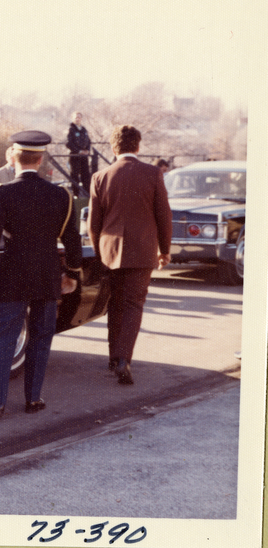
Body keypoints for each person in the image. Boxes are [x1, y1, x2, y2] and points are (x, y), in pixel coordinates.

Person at [0, 130, 82, 417]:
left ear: (13, 157)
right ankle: (34, 400)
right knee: (42, 337)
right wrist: (72, 274)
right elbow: (72, 240)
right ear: (41, 159)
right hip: (47, 274)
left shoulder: (3, 193)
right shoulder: (61, 195)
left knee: (2, 336)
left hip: (13, 274)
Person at [88, 125, 172, 385]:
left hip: (109, 250)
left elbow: (93, 223)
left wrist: (98, 250)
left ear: (114, 148)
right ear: (138, 146)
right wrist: (165, 249)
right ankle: (124, 358)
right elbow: (163, 215)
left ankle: (114, 357)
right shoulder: (153, 174)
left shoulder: (100, 176)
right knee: (134, 304)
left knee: (114, 303)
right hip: (142, 249)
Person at [66, 111, 91, 195]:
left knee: (86, 176)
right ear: (72, 118)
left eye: (79, 117)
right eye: (76, 117)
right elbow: (68, 143)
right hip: (74, 156)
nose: (77, 119)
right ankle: (76, 195)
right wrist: (79, 151)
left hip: (84, 157)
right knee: (74, 176)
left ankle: (87, 194)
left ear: (81, 119)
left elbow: (88, 141)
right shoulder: (70, 129)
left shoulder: (84, 130)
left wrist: (87, 150)